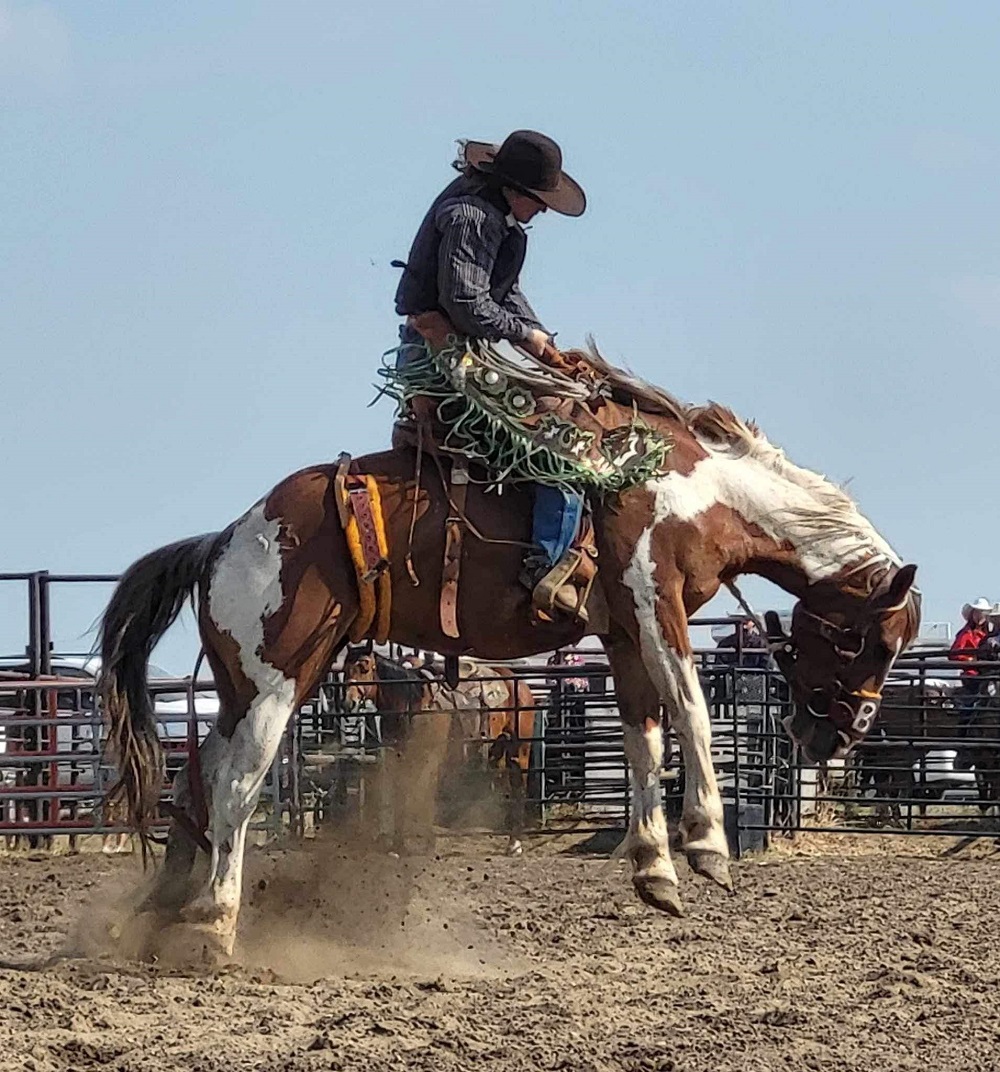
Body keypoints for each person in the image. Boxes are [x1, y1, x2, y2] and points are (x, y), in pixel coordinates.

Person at [393, 130, 591, 621]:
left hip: (454, 356)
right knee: (561, 455)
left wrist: (542, 339)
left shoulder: (483, 211)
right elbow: (467, 303)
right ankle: (545, 572)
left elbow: (502, 293)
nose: (542, 211)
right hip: (444, 364)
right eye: (539, 201)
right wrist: (527, 338)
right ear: (517, 191)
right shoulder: (473, 218)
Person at [950, 597, 992, 715]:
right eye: (978, 612)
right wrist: (969, 660)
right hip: (972, 675)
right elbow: (954, 653)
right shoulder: (966, 634)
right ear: (972, 615)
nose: (980, 616)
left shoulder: (987, 635)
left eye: (983, 613)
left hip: (983, 673)